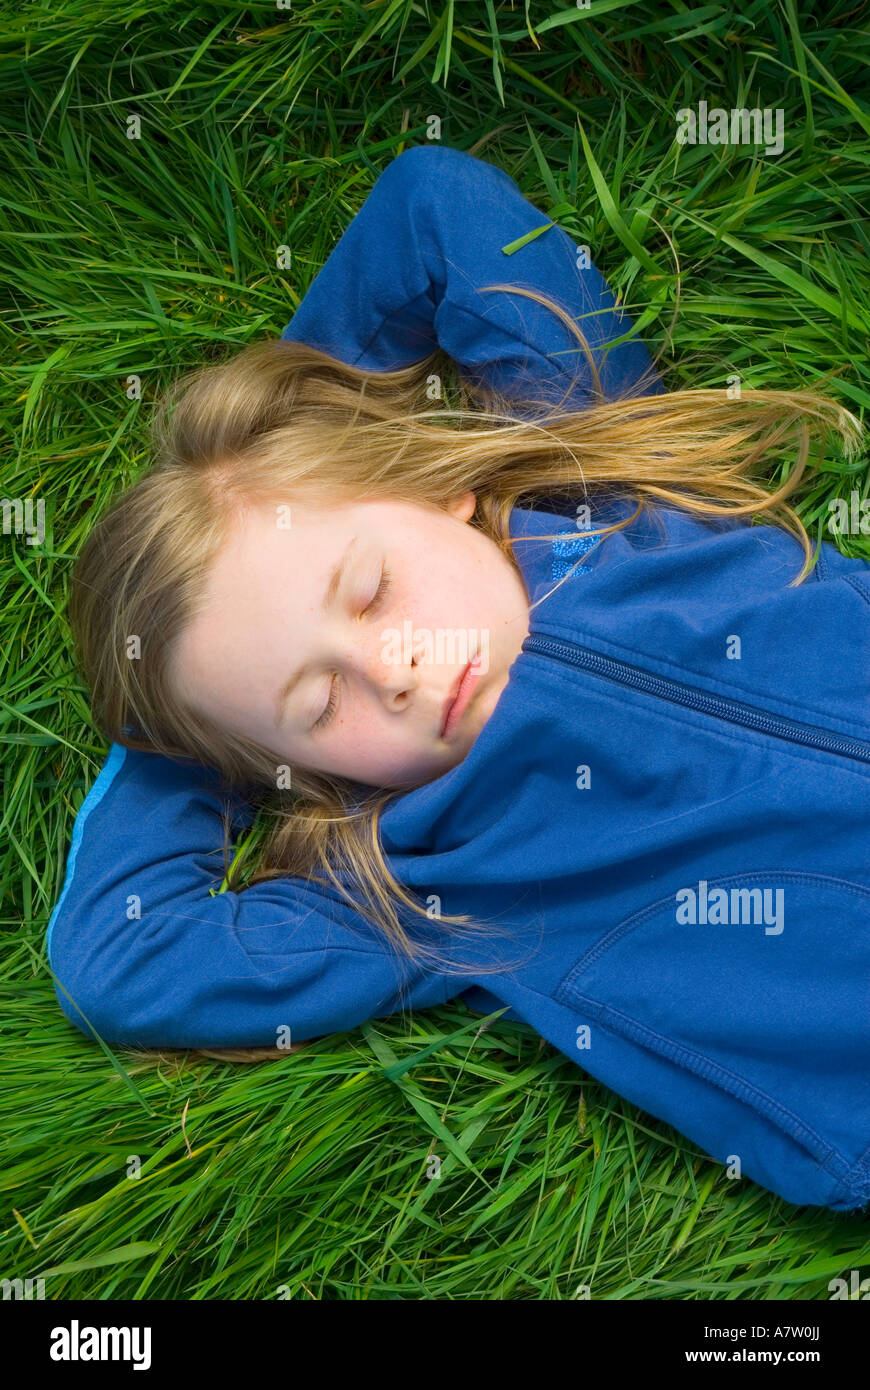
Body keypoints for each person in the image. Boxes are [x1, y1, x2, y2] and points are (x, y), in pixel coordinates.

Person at [47, 144, 870, 1212]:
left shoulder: (603, 488)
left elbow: (430, 210)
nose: (390, 670)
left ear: (435, 491)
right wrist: (194, 719)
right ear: (294, 770)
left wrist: (259, 464)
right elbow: (118, 956)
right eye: (317, 702)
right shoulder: (428, 891)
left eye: (370, 588)